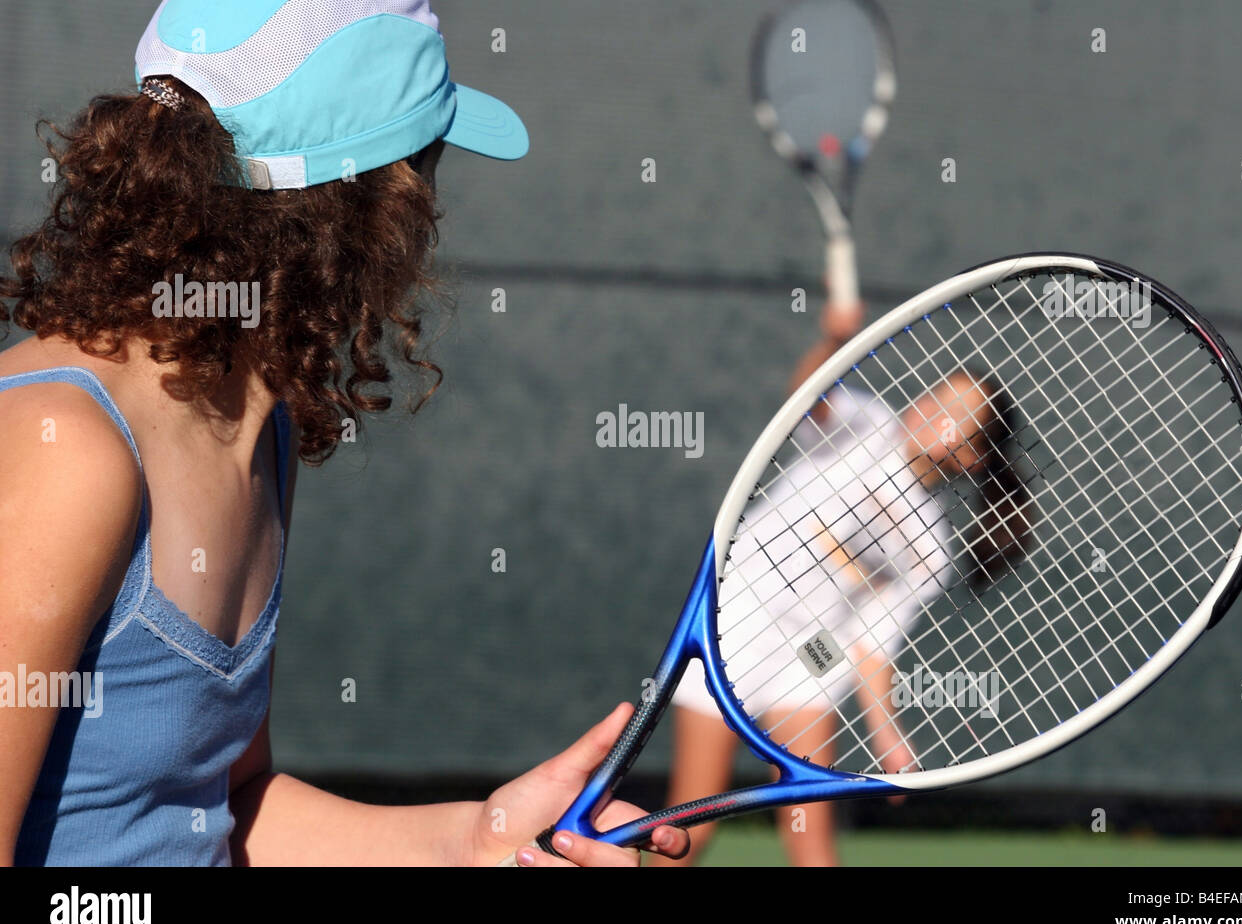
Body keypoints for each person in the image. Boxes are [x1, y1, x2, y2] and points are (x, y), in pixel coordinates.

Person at [0, 1, 687, 867]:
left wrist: (479, 840)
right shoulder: (65, 452)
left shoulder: (262, 431)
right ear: (372, 204)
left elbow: (223, 809)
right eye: (429, 167)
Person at [660, 298, 1034, 866]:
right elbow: (808, 397)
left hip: (814, 646)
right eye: (938, 394)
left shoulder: (930, 550)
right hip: (738, 614)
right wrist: (833, 342)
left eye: (957, 412)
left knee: (810, 838)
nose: (933, 408)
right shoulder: (867, 424)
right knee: (694, 823)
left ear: (973, 456)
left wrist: (888, 737)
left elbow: (869, 641)